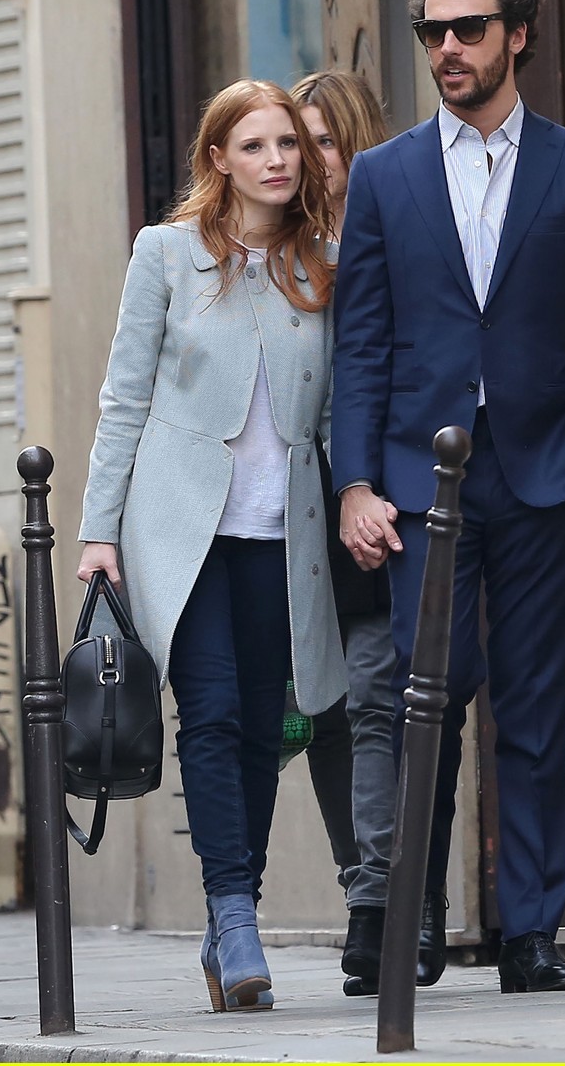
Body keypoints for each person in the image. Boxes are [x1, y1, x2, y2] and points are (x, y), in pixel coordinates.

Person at [331, 0, 565, 995]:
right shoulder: (382, 177)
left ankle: (529, 932)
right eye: (432, 31)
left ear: (516, 33)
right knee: (430, 703)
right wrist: (353, 483)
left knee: (532, 707)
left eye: (467, 29)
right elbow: (361, 343)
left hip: (543, 476)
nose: (446, 49)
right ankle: (413, 924)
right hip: (421, 489)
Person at [76, 79, 346, 1013]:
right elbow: (123, 401)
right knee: (217, 714)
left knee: (268, 729)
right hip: (182, 530)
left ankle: (232, 909)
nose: (276, 160)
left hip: (287, 538)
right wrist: (96, 530)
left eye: (287, 145)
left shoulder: (324, 262)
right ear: (218, 160)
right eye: (255, 145)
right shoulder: (165, 254)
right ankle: (234, 915)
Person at [289, 71, 397, 997]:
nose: (304, 160)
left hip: (367, 501)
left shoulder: (390, 237)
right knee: (318, 710)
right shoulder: (278, 253)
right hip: (290, 510)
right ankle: (363, 890)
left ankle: (382, 902)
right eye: (295, 140)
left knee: (369, 698)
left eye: (321, 141)